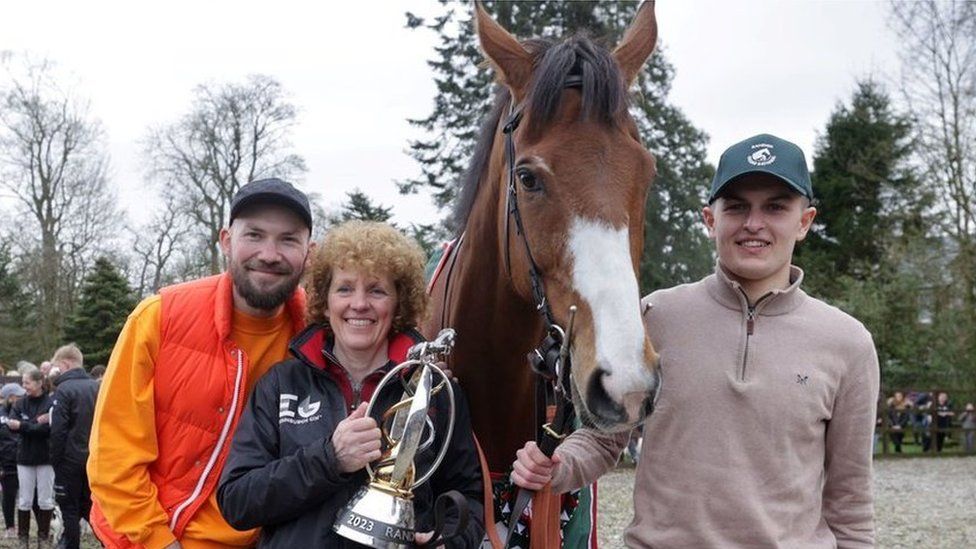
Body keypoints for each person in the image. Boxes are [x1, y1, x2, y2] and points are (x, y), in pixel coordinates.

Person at [512, 134, 880, 547]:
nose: (754, 223)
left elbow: (850, 503)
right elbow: (603, 438)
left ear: (804, 221)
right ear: (710, 219)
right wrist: (558, 465)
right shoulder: (653, 316)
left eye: (775, 207)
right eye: (736, 207)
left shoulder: (848, 343)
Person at [218, 221, 485, 547]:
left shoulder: (436, 390)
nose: (359, 304)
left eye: (377, 291)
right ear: (325, 301)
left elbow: (469, 497)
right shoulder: (281, 384)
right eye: (344, 289)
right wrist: (330, 458)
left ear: (399, 303)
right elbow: (236, 501)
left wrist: (450, 542)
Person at [87, 178, 314, 549]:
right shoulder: (159, 317)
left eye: (288, 240)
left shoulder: (320, 336)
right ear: (226, 240)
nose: (270, 254)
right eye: (254, 235)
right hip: (159, 536)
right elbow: (114, 454)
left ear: (309, 253)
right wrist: (157, 541)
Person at [48, 343, 99, 549]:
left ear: (66, 364)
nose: (56, 371)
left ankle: (71, 545)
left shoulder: (64, 389)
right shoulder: (96, 387)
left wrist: (55, 460)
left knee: (69, 508)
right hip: (93, 458)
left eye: (58, 366)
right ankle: (109, 541)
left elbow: (58, 430)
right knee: (90, 506)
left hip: (69, 460)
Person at [7, 369, 56, 548]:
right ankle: (23, 539)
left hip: (45, 458)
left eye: (27, 382)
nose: (24, 386)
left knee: (45, 499)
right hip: (25, 458)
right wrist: (33, 424)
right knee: (25, 499)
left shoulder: (50, 403)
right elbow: (11, 425)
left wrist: (23, 425)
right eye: (23, 382)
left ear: (39, 383)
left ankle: (43, 538)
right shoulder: (20, 403)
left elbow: (47, 430)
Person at [0, 383, 27, 539]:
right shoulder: (1, 415)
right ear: (10, 397)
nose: (22, 398)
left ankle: (39, 527)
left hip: (25, 459)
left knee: (30, 497)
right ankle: (10, 527)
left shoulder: (23, 412)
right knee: (9, 496)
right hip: (7, 462)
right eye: (18, 396)